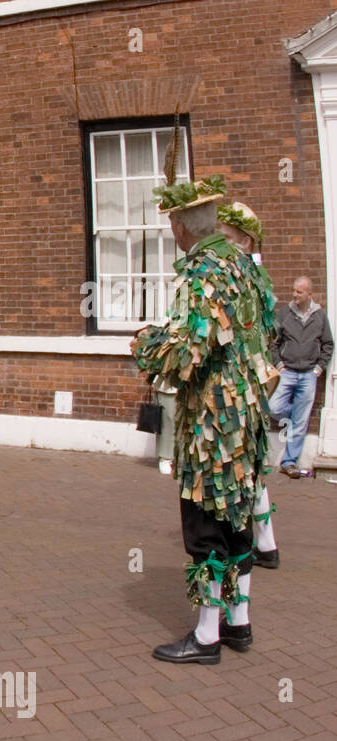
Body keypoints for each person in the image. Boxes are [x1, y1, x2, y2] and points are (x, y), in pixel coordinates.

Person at [133, 176, 273, 664]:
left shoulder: (202, 272)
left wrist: (147, 344)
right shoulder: (244, 266)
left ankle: (207, 637)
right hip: (248, 415)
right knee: (237, 518)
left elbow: (190, 350)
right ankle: (240, 625)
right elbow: (257, 331)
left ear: (178, 225)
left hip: (214, 420)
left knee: (207, 522)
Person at [218, 202, 280, 569]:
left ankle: (249, 547)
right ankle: (267, 544)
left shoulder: (242, 277)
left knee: (241, 468)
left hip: (241, 387)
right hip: (254, 382)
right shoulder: (259, 277)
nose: (220, 244)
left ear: (245, 239)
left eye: (226, 237)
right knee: (251, 467)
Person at [269, 274, 332, 478]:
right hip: (287, 372)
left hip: (308, 374)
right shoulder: (285, 313)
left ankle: (289, 462)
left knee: (301, 421)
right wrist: (278, 364)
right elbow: (273, 342)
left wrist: (319, 368)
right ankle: (295, 417)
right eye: (294, 290)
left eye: (299, 291)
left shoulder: (320, 316)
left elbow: (328, 344)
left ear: (309, 294)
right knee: (273, 408)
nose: (294, 294)